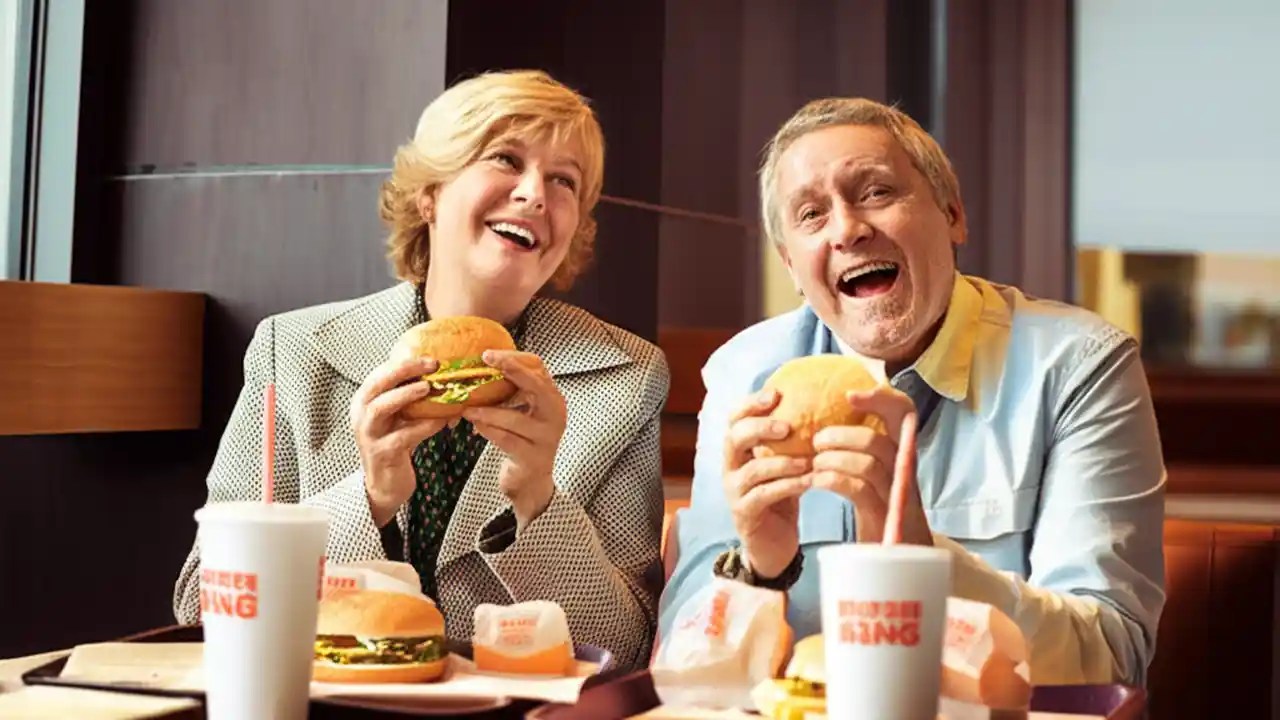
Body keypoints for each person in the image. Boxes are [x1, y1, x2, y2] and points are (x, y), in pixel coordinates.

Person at [658, 97, 1165, 687]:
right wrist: (760, 572)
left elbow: (1110, 652)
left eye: (876, 192)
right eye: (812, 214)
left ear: (953, 215)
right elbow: (684, 669)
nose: (847, 229)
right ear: (791, 265)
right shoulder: (747, 377)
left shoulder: (1078, 366)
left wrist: (923, 565)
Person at [174, 69, 669, 671]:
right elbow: (202, 606)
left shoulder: (629, 378)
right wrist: (369, 497)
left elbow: (629, 648)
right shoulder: (294, 351)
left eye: (564, 180)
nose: (536, 194)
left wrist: (538, 501)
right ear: (428, 194)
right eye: (506, 159)